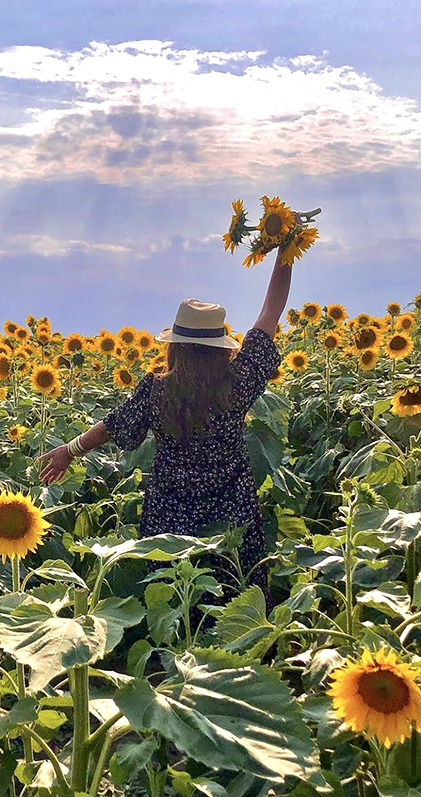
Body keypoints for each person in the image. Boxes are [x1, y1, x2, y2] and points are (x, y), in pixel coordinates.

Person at [38, 245, 290, 600]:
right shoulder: (237, 383)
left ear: (175, 346)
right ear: (221, 347)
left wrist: (70, 449)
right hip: (232, 514)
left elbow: (113, 425)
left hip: (171, 516)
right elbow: (270, 312)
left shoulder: (157, 391)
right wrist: (285, 251)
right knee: (235, 601)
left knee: (175, 604)